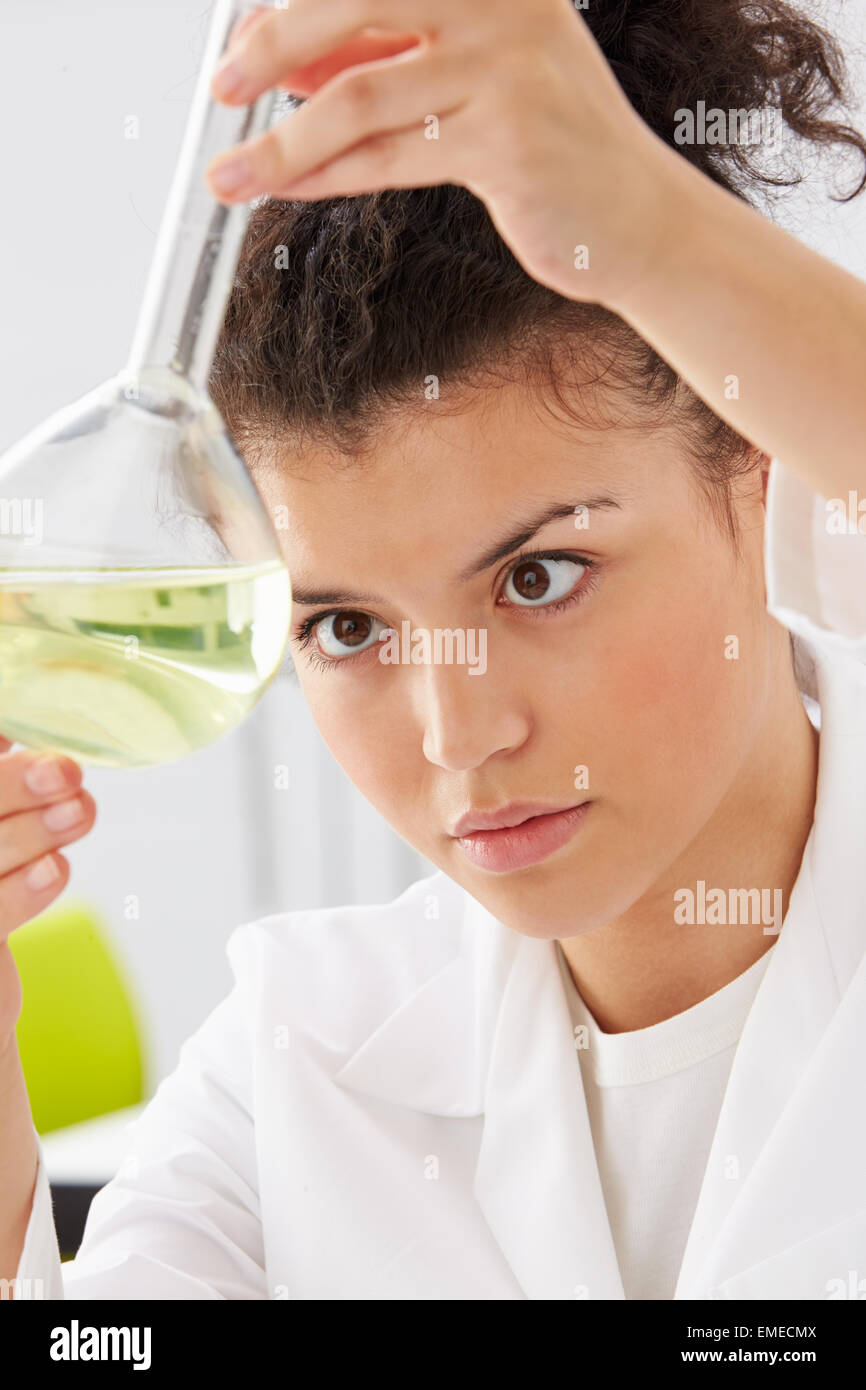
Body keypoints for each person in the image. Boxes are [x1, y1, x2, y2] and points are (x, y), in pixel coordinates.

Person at [4, 0, 866, 1300]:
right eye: (346, 626)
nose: (458, 736)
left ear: (752, 461)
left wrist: (650, 228)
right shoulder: (300, 1054)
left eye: (539, 575)